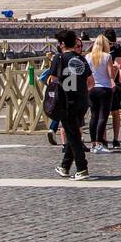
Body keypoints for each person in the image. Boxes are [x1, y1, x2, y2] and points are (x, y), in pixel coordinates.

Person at [49, 30, 92, 179]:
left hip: (66, 101)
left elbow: (53, 80)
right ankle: (65, 166)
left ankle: (82, 168)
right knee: (72, 131)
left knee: (72, 135)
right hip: (82, 100)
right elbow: (90, 81)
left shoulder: (59, 58)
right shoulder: (80, 59)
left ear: (61, 44)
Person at [85, 35, 116, 153]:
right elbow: (110, 75)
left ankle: (93, 143)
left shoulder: (87, 56)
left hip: (92, 89)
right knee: (103, 117)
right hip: (104, 88)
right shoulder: (107, 56)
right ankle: (99, 143)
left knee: (94, 116)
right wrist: (115, 70)